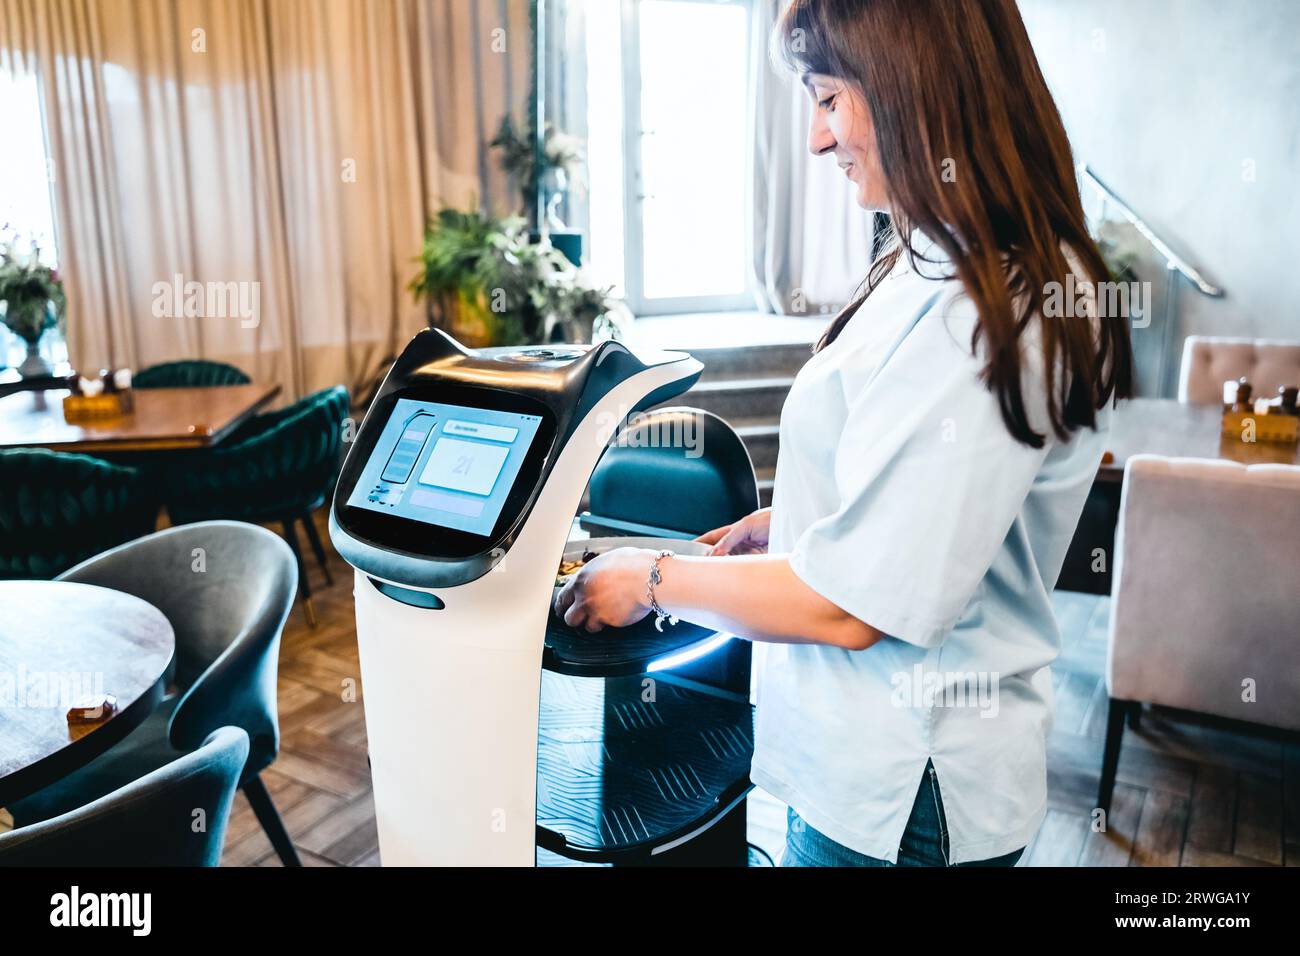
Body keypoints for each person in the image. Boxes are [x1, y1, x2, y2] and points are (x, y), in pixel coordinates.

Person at [553, 0, 1133, 867]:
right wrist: (794, 524)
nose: (819, 140)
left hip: (906, 782)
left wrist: (653, 578)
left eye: (828, 98)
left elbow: (852, 605)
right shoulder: (934, 256)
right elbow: (907, 502)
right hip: (864, 761)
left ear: (914, 85)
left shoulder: (993, 305)